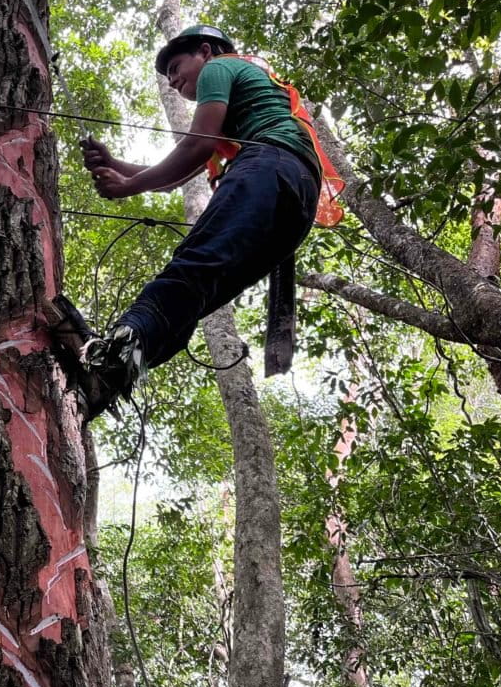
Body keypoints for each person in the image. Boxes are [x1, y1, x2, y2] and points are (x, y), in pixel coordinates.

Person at [73, 24, 340, 419]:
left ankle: (116, 351)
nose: (172, 80)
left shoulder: (221, 67)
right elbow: (178, 175)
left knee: (193, 266)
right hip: (294, 198)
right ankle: (112, 374)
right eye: (168, 76)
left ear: (205, 51)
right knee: (197, 292)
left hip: (269, 166)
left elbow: (196, 145)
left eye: (176, 67)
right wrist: (116, 166)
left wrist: (127, 187)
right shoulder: (240, 112)